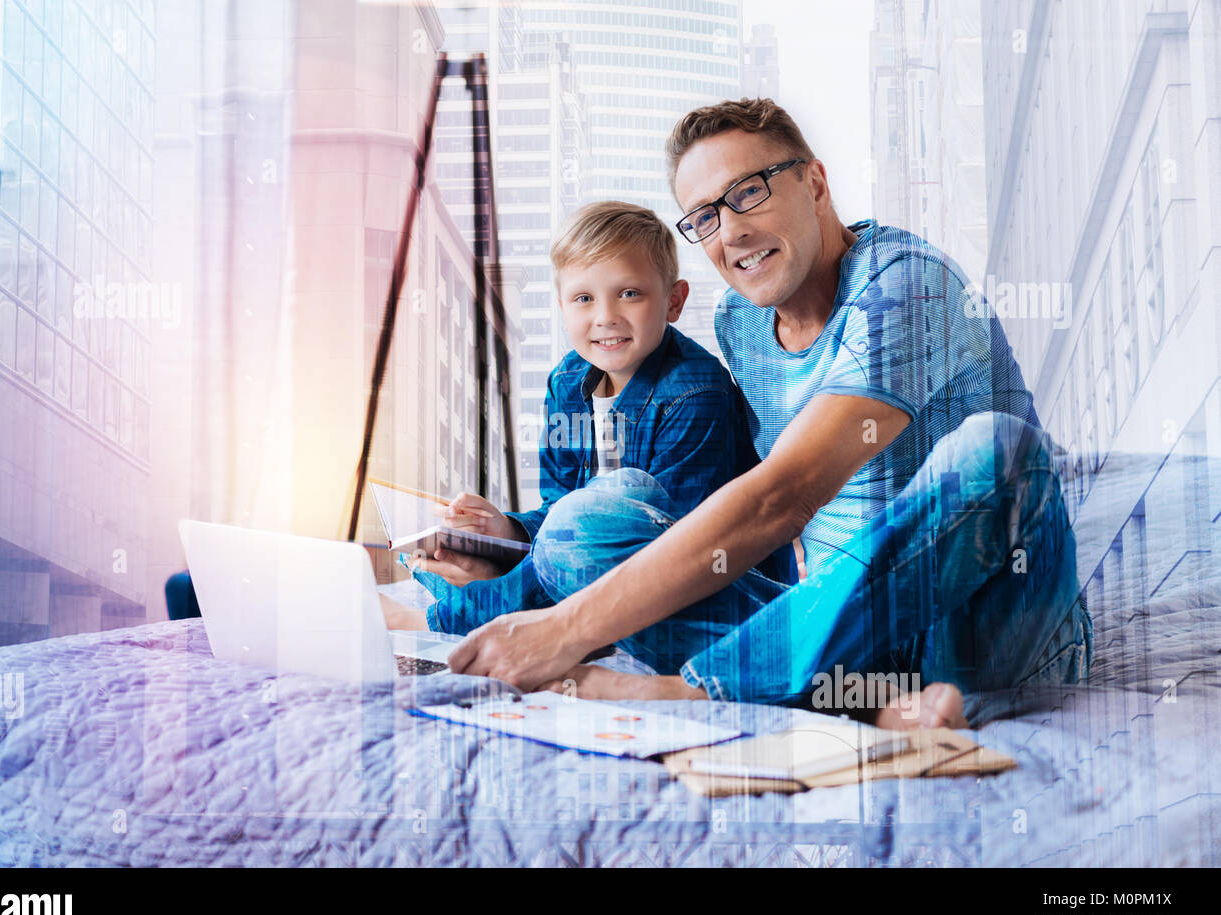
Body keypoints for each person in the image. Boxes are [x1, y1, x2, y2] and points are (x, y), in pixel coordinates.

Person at [446, 98, 1093, 730]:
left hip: (975, 623)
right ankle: (852, 696)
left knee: (998, 449)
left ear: (814, 182)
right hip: (828, 632)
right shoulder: (741, 321)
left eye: (747, 192)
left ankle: (698, 689)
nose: (730, 232)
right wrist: (510, 539)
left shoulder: (904, 288)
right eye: (702, 216)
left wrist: (566, 628)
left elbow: (782, 495)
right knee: (578, 529)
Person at [380, 201, 776, 664]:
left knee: (625, 493)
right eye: (584, 298)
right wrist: (504, 531)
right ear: (563, 305)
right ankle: (484, 580)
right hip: (596, 565)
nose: (605, 316)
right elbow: (559, 516)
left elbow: (675, 552)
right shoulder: (568, 381)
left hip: (693, 586)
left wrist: (485, 596)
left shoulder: (696, 392)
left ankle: (450, 617)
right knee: (438, 554)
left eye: (629, 293)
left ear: (674, 300)